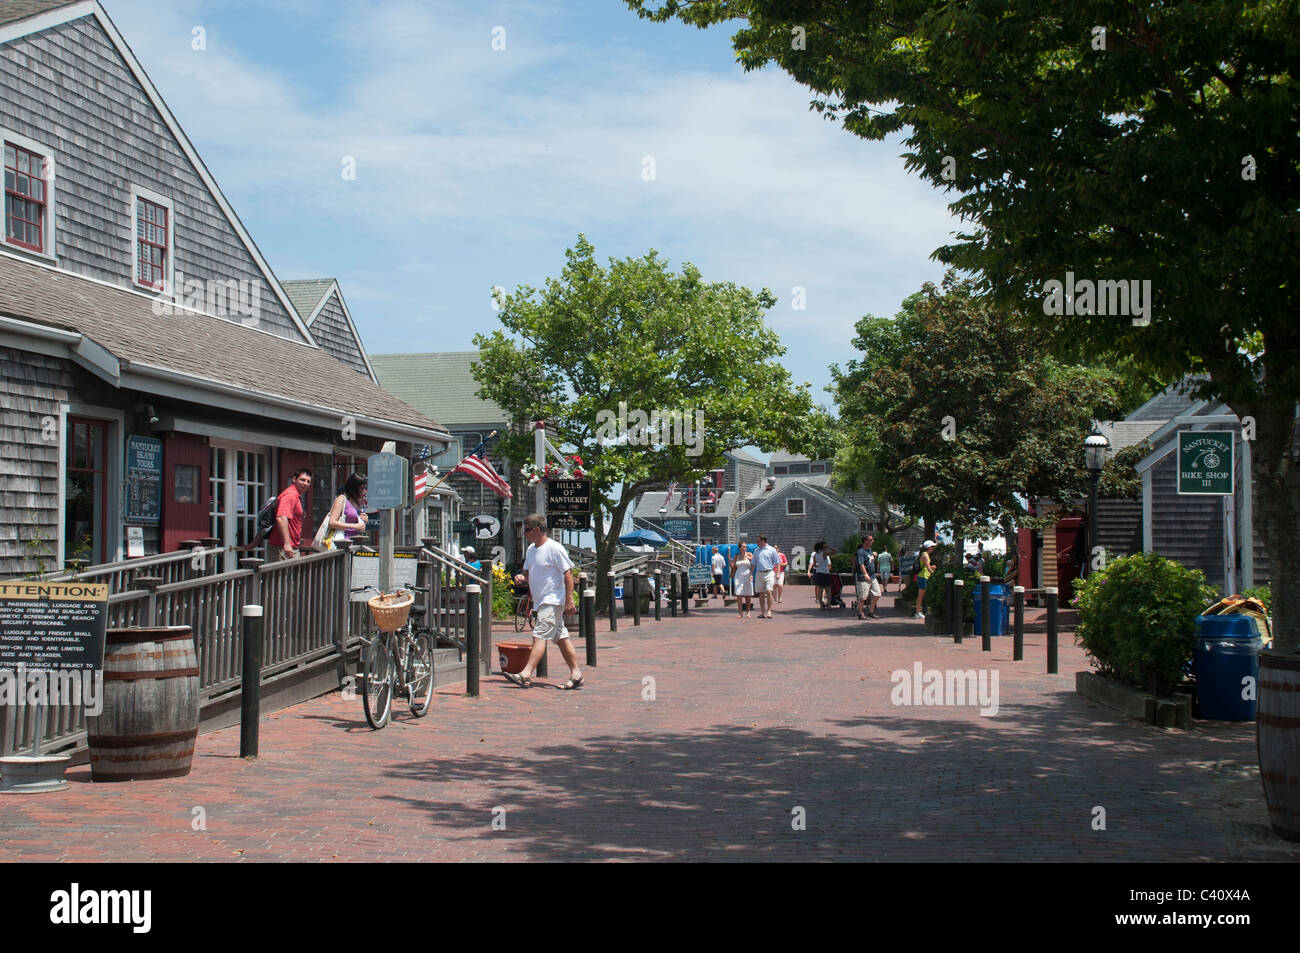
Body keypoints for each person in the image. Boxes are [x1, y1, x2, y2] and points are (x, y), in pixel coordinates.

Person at [504, 513, 582, 690]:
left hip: (553, 600)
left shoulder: (555, 548)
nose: (525, 533)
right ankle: (576, 674)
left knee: (539, 634)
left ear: (537, 530)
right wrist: (521, 576)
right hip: (541, 601)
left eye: (528, 530)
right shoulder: (531, 549)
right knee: (561, 638)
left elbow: (568, 573)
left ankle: (525, 674)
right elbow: (528, 572)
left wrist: (569, 600)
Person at [268, 468, 311, 561]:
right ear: (294, 479)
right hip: (282, 548)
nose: (305, 483)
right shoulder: (290, 495)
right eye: (302, 480)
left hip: (290, 546)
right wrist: (287, 544)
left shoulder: (296, 495)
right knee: (282, 575)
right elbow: (281, 518)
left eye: (308, 481)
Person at [326, 473, 368, 544]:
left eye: (365, 488)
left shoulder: (357, 503)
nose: (364, 491)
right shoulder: (341, 499)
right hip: (341, 543)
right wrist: (354, 526)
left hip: (354, 543)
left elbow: (357, 524)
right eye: (361, 488)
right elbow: (332, 523)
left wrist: (363, 519)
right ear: (353, 488)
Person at [751, 535, 780, 618]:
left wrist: (778, 573)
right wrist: (751, 574)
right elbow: (753, 564)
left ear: (763, 541)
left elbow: (777, 562)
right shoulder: (756, 551)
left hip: (769, 572)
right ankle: (763, 612)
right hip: (759, 573)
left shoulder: (772, 550)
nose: (757, 542)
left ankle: (769, 611)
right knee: (761, 593)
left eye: (758, 541)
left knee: (769, 591)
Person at [854, 537, 878, 619]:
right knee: (863, 597)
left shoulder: (870, 550)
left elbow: (870, 559)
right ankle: (860, 614)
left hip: (872, 576)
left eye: (872, 539)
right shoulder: (860, 552)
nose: (872, 541)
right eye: (871, 540)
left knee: (877, 594)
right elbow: (861, 564)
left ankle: (871, 611)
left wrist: (874, 554)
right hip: (864, 577)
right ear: (865, 541)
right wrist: (865, 574)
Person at [731, 543, 754, 618]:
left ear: (746, 547)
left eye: (744, 547)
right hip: (738, 575)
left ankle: (748, 612)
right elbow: (733, 566)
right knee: (739, 594)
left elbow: (754, 563)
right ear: (739, 548)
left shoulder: (749, 554)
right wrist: (729, 559)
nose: (742, 548)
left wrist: (751, 574)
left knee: (748, 594)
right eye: (741, 547)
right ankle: (740, 613)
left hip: (747, 574)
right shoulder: (736, 556)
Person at [810, 541, 835, 609]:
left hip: (818, 572)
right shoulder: (824, 553)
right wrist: (829, 547)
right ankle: (829, 605)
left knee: (820, 590)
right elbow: (835, 551)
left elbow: (814, 564)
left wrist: (820, 566)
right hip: (825, 573)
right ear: (823, 546)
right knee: (828, 590)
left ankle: (821, 606)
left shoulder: (815, 554)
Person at [915, 539, 936, 619]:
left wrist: (931, 567)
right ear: (929, 547)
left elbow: (926, 566)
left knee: (921, 595)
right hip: (923, 577)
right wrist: (934, 575)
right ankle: (917, 612)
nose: (933, 548)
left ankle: (919, 612)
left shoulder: (924, 554)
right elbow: (927, 568)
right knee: (921, 596)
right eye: (932, 546)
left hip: (923, 576)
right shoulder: (926, 555)